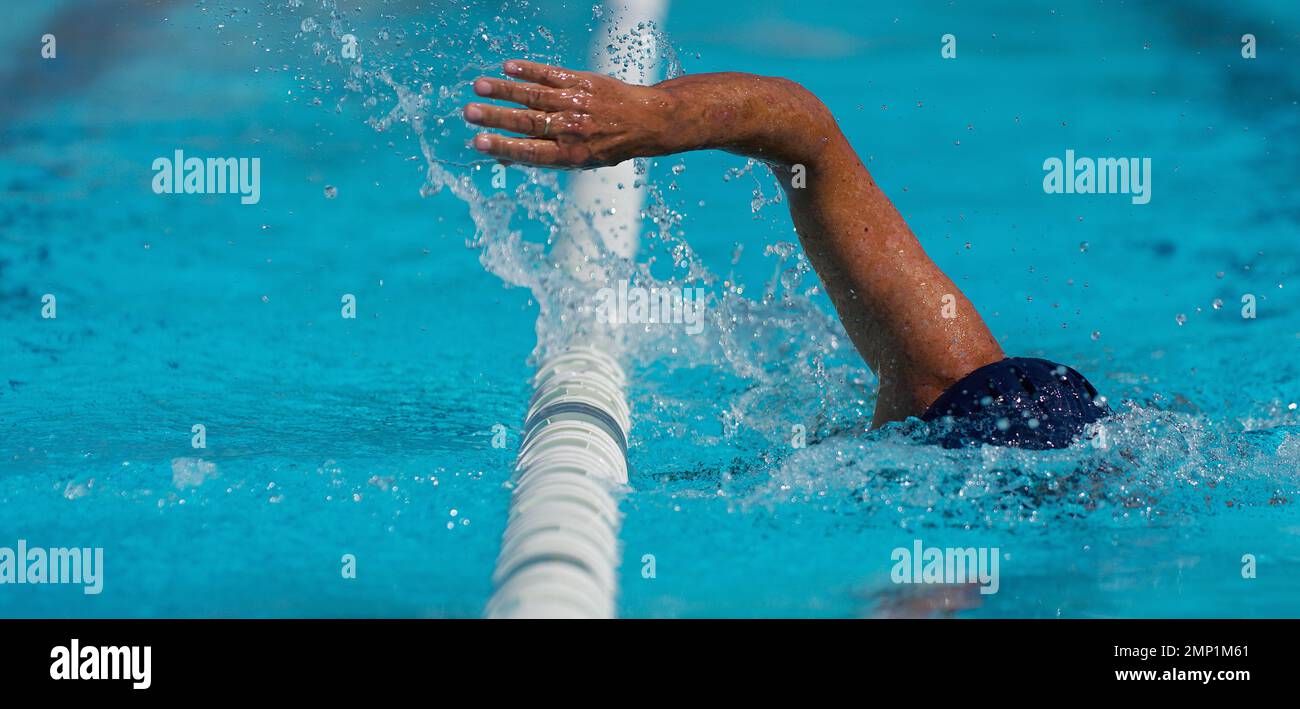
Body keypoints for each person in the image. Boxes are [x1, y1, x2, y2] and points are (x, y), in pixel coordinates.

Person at [462, 60, 1109, 449]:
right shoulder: (953, 383)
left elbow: (806, 134)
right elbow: (807, 135)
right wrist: (654, 116)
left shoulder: (945, 386)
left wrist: (658, 120)